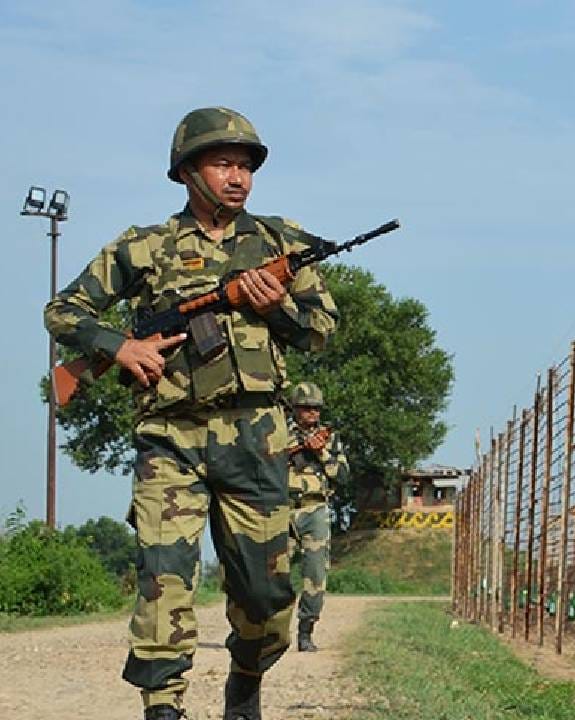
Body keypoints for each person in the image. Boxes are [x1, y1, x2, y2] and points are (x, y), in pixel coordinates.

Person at [44, 107, 339, 720]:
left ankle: (247, 675)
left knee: (267, 595)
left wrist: (277, 307)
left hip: (257, 435)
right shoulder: (143, 247)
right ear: (186, 171)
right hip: (169, 436)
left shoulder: (283, 241)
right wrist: (118, 347)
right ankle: (163, 705)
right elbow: (64, 310)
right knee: (164, 576)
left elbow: (320, 332)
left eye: (246, 166)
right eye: (223, 163)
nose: (238, 177)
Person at [285, 381, 349, 652]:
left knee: (314, 574)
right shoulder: (279, 432)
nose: (312, 413)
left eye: (316, 409)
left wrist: (320, 451)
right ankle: (266, 631)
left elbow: (343, 476)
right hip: (283, 508)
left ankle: (305, 631)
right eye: (306, 408)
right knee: (272, 573)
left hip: (315, 509)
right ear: (295, 409)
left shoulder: (330, 438)